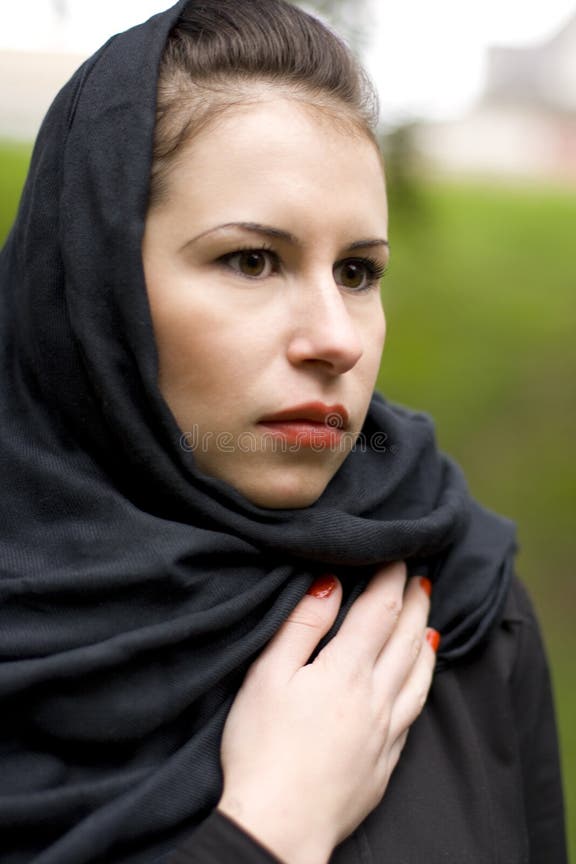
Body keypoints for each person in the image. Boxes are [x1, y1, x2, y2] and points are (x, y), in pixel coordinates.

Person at [0, 1, 567, 862]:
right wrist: (267, 830)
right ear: (93, 290)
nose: (336, 338)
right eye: (252, 260)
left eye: (358, 270)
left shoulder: (457, 597)